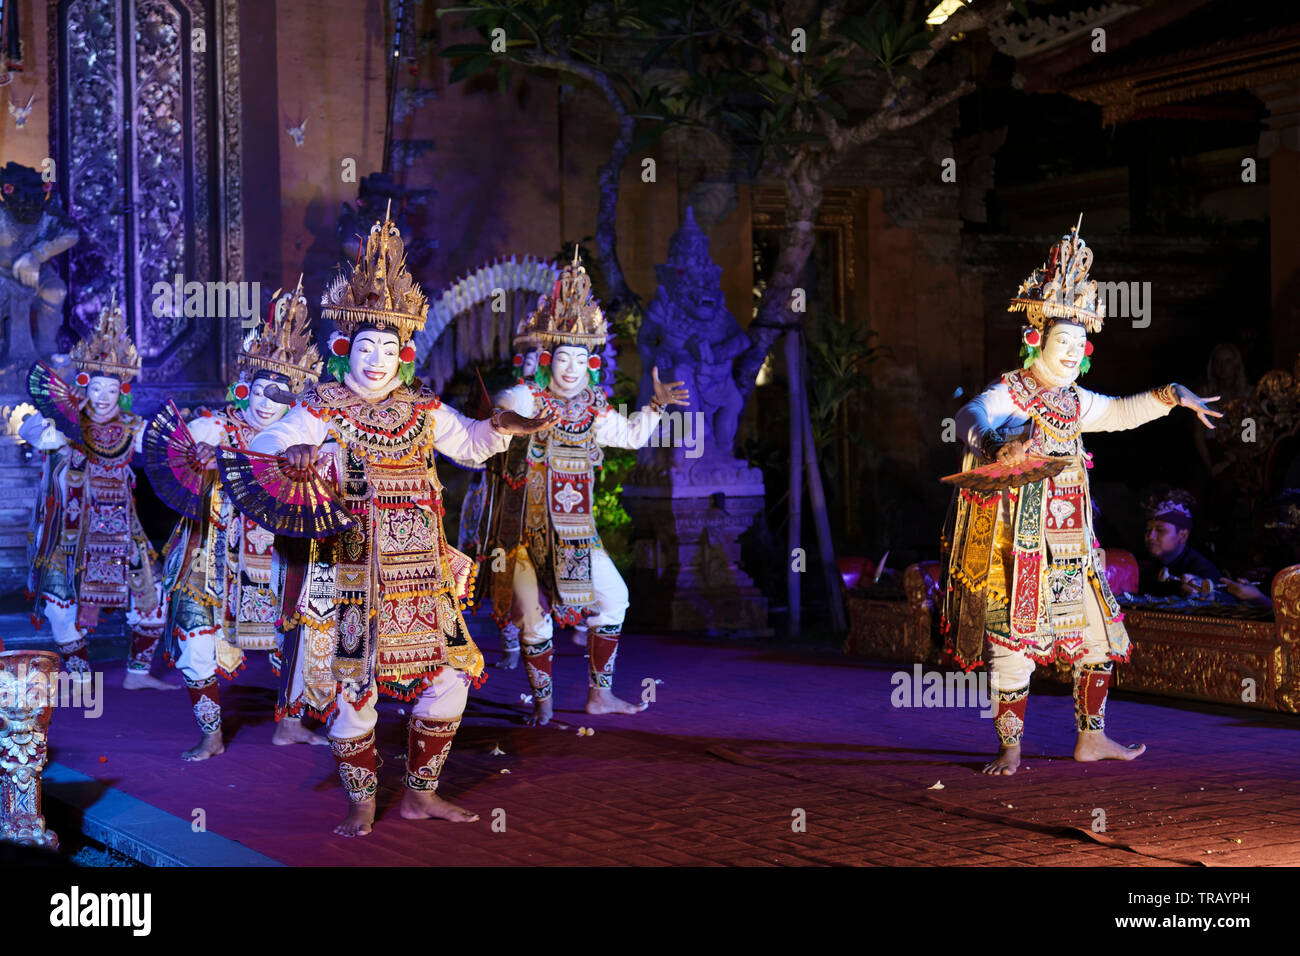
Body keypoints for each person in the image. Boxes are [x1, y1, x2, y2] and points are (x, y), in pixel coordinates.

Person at [238, 210, 553, 836]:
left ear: (403, 353)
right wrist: (295, 452)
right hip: (353, 575)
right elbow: (271, 442)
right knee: (356, 692)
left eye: (389, 348)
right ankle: (361, 798)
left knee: (451, 681)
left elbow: (468, 444)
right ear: (344, 349)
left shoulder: (421, 409)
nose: (378, 359)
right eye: (366, 346)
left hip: (421, 577)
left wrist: (501, 430)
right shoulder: (319, 409)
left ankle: (418, 793)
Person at [940, 218, 1221, 776]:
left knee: (1098, 637)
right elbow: (966, 417)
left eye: (1078, 342)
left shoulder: (1074, 400)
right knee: (1014, 644)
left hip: (1072, 545)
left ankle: (1091, 739)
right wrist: (995, 441)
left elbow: (1120, 412)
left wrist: (1172, 396)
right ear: (1035, 341)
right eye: (1061, 341)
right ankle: (1011, 747)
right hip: (1019, 548)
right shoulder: (1012, 391)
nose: (1071, 351)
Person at [490, 253, 689, 726]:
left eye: (581, 358)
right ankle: (543, 702)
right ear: (548, 359)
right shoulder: (528, 397)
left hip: (577, 536)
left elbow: (631, 436)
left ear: (590, 363)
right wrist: (517, 421)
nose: (572, 367)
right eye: (563, 357)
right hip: (524, 533)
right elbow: (498, 412)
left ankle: (599, 695)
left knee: (615, 597)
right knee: (532, 619)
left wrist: (656, 408)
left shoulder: (592, 407)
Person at [156, 278, 330, 760]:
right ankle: (211, 734)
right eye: (259, 390)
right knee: (196, 642)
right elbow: (176, 458)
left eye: (279, 395)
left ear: (294, 402)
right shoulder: (215, 427)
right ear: (244, 387)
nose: (265, 403)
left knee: (305, 635)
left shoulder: (304, 441)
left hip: (280, 557)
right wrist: (198, 458)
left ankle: (290, 725)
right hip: (214, 557)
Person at [19, 298, 174, 690]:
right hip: (70, 537)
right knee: (58, 608)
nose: (103, 398)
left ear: (121, 391)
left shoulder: (132, 427)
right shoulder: (61, 422)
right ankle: (81, 677)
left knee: (154, 603)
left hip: (123, 534)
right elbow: (28, 430)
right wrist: (56, 421)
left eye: (111, 389)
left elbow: (166, 448)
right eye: (96, 387)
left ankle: (137, 675)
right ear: (84, 385)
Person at [1138, 488, 1224, 599]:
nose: (1150, 537)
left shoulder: (1203, 571)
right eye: (1148, 530)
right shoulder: (1146, 566)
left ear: (1182, 535)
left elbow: (1226, 600)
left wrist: (1206, 595)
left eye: (1160, 530)